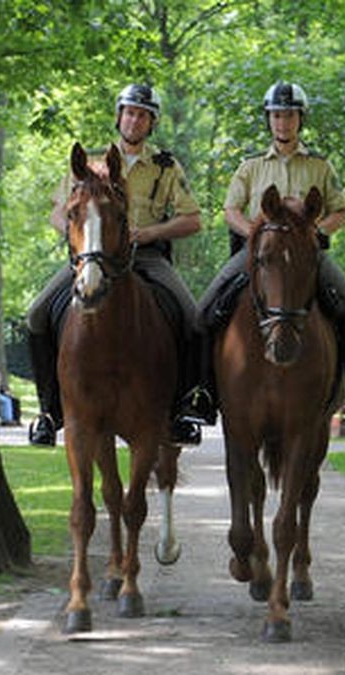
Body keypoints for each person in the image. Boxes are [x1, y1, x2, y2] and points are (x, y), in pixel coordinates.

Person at [26, 83, 214, 447]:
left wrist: (150, 233)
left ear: (151, 122)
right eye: (129, 112)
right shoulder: (90, 163)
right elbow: (55, 212)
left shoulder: (165, 166)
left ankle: (183, 408)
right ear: (119, 116)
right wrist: (81, 234)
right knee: (36, 314)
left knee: (193, 317)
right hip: (93, 256)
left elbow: (193, 219)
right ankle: (50, 411)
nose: (134, 119)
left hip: (145, 256)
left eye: (142, 114)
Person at [198, 81, 345, 426]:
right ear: (269, 120)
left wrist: (318, 231)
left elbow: (341, 209)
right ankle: (202, 392)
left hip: (306, 256)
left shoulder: (320, 167)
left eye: (290, 116)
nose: (283, 123)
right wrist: (254, 233)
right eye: (277, 116)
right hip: (259, 254)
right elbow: (231, 210)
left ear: (300, 119)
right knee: (205, 310)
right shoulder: (249, 167)